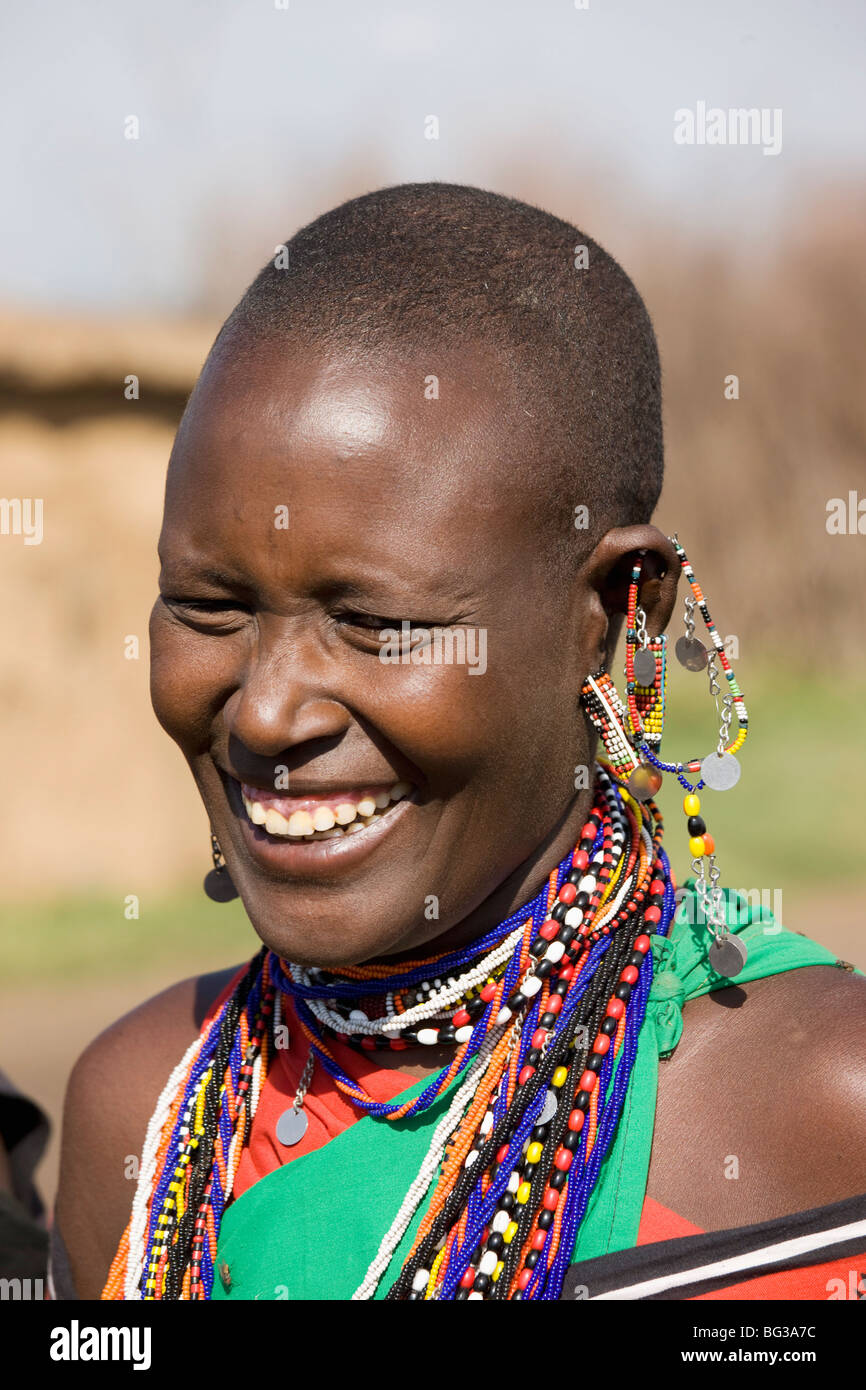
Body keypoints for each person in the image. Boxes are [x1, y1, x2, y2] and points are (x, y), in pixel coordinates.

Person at [55, 183, 866, 1301]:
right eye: (210, 606)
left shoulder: (818, 1109)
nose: (265, 712)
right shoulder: (141, 1116)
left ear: (616, 611)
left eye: (376, 625)